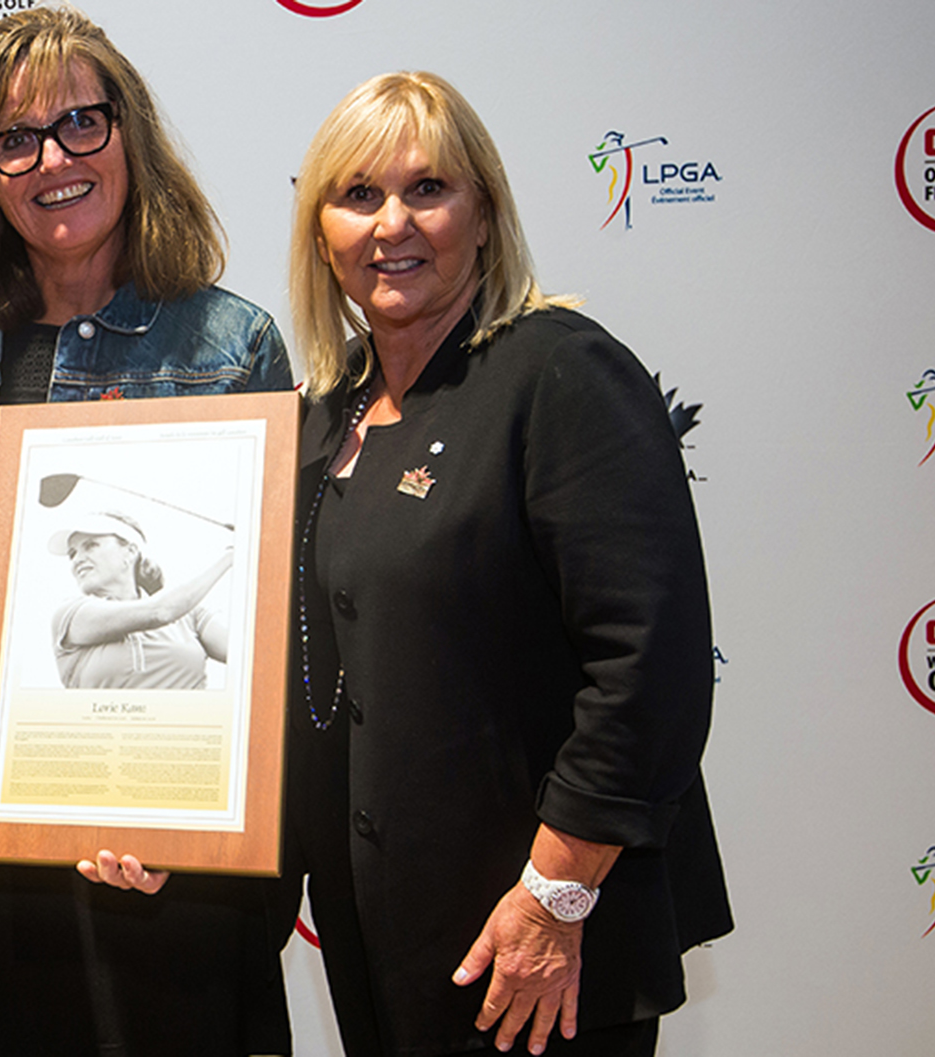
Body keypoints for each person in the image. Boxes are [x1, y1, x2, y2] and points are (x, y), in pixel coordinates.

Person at [286, 71, 733, 1057]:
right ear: (320, 230)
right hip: (384, 929)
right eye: (356, 195)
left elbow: (646, 666)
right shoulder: (325, 418)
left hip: (534, 942)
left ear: (482, 213)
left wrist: (553, 896)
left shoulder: (556, 372)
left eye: (426, 189)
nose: (390, 223)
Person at [0, 9, 298, 1055]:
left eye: (80, 122)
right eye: (13, 140)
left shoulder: (229, 340)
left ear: (130, 135)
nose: (51, 160)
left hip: (176, 857)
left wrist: (192, 823)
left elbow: (272, 621)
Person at [48, 510, 230, 690]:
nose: (77, 560)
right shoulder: (69, 615)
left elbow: (248, 656)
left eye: (91, 545)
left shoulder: (190, 614)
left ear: (130, 552)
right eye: (72, 553)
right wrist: (230, 555)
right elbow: (160, 612)